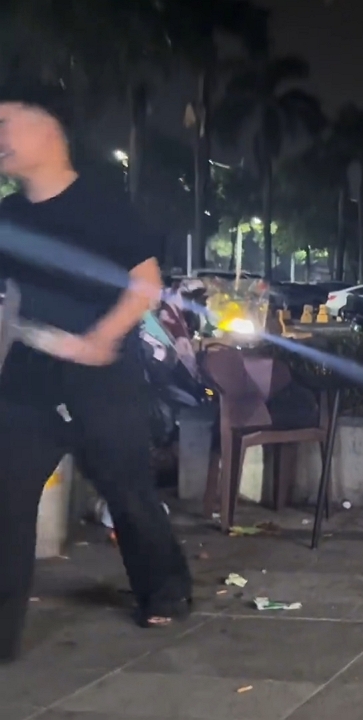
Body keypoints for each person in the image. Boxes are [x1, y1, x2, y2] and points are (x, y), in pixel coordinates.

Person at [0, 83, 193, 663]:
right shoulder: (8, 216)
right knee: (6, 497)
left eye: (7, 121)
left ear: (49, 129)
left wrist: (98, 341)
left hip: (102, 379)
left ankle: (165, 589)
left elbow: (146, 285)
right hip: (29, 379)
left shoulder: (101, 204)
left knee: (128, 493)